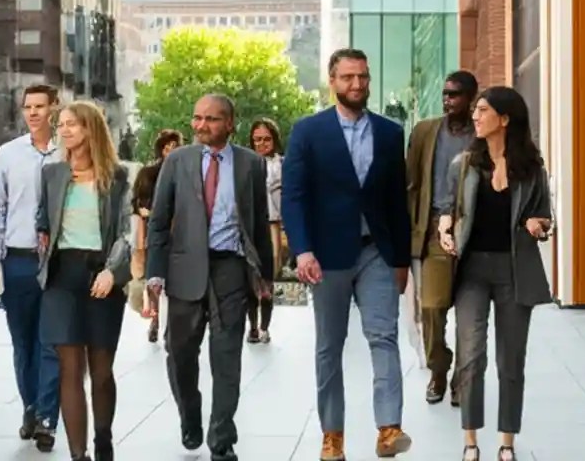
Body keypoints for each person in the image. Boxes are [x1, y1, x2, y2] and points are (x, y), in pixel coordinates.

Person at [282, 49, 412, 461]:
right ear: (333, 81)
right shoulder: (308, 132)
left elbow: (397, 201)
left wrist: (402, 259)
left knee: (384, 337)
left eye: (363, 77)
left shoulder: (391, 134)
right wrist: (301, 251)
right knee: (329, 346)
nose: (357, 85)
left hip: (377, 252)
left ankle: (389, 429)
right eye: (348, 77)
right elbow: (294, 197)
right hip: (326, 256)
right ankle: (332, 435)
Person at [146, 94, 273, 461]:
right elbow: (158, 222)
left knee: (227, 354)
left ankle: (222, 438)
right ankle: (191, 415)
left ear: (231, 123)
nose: (201, 126)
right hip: (184, 269)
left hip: (230, 267)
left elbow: (258, 223)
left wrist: (264, 275)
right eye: (197, 118)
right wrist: (155, 274)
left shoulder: (251, 165)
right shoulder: (177, 161)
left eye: (211, 119)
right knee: (179, 353)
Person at [437, 87, 553, 461]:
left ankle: (507, 443)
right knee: (470, 356)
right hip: (472, 270)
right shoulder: (465, 164)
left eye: (483, 110)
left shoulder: (532, 170)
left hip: (515, 270)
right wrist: (444, 230)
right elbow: (446, 208)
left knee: (511, 360)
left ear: (504, 119)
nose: (475, 116)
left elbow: (545, 216)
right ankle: (470, 442)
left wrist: (539, 224)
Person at [35, 100, 133, 461]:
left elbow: (126, 232)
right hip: (62, 275)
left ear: (90, 129)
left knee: (102, 371)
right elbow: (42, 220)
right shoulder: (51, 173)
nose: (64, 130)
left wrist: (112, 270)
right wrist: (40, 237)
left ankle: (103, 440)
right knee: (69, 369)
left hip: (102, 274)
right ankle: (79, 455)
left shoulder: (118, 176)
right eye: (60, 124)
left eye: (72, 124)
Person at [0, 84, 63, 450]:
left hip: (58, 261)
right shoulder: (7, 154)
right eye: (27, 107)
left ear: (54, 108)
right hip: (17, 259)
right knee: (23, 343)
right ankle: (31, 408)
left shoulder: (68, 151)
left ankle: (48, 418)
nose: (32, 113)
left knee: (51, 342)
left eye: (40, 106)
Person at [405, 70, 478, 405]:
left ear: (471, 97)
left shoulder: (483, 133)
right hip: (436, 230)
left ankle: (463, 377)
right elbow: (410, 184)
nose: (449, 100)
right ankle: (438, 367)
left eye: (456, 94)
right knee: (432, 306)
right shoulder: (424, 132)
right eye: (445, 93)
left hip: (476, 232)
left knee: (470, 311)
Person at [131, 128, 184, 343]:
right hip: (153, 230)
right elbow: (136, 201)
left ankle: (171, 324)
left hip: (179, 231)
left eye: (175, 146)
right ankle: (154, 320)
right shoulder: (148, 173)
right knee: (154, 277)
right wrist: (144, 211)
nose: (170, 151)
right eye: (167, 147)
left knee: (176, 282)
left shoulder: (184, 173)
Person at [245, 117, 284, 343]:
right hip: (250, 226)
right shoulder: (245, 164)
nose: (261, 144)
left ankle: (265, 326)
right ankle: (251, 326)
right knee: (250, 277)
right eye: (257, 139)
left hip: (273, 224)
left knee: (269, 277)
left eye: (266, 139)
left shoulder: (282, 164)